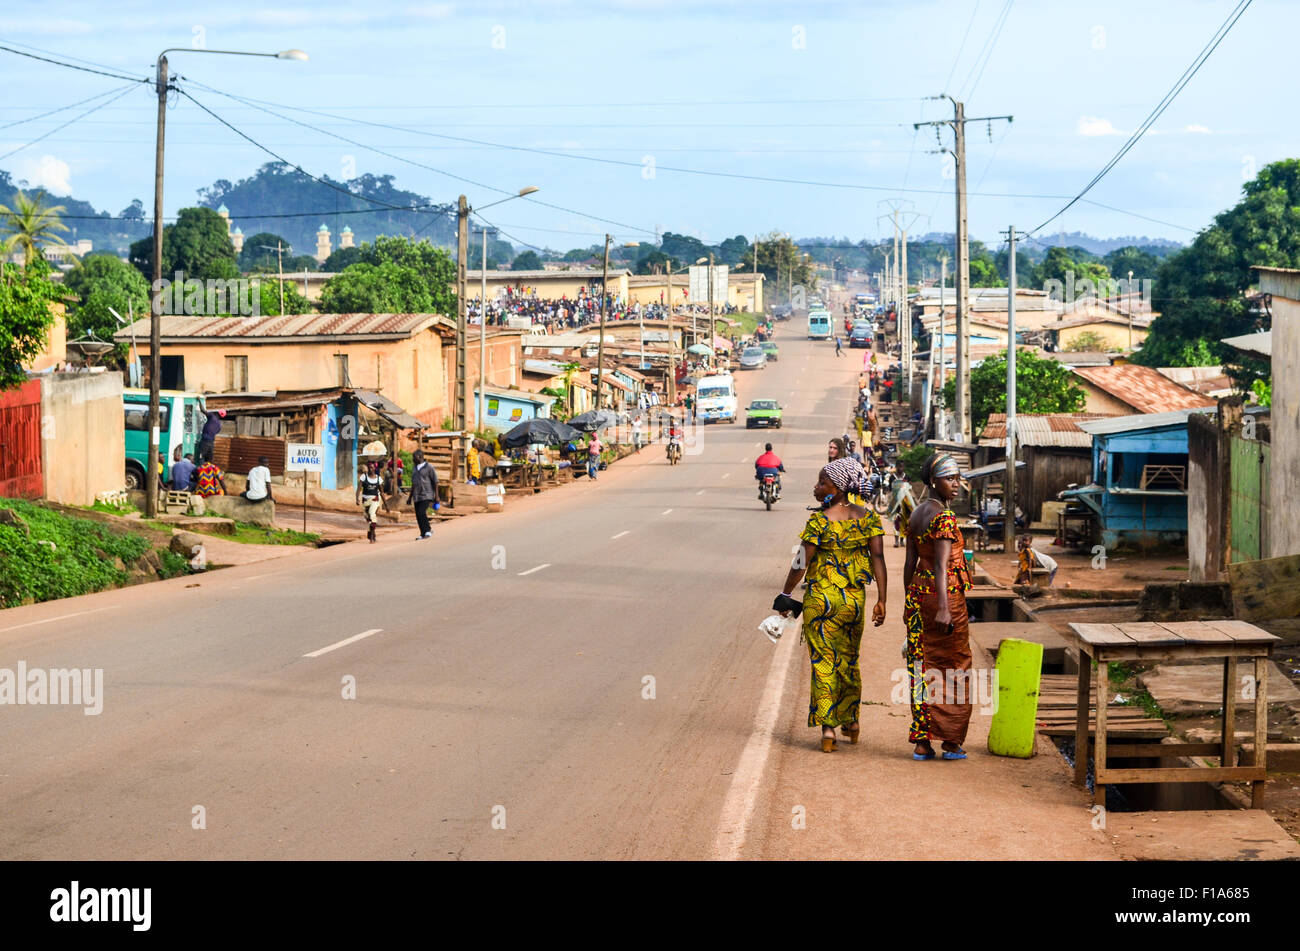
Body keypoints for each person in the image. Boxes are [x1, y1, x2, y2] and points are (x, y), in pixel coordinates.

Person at [774, 457, 888, 752]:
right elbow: (878, 559)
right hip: (853, 601)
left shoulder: (819, 521)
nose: (816, 487)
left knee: (823, 662)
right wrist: (882, 600)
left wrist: (786, 594)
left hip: (820, 602)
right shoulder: (869, 519)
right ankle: (852, 721)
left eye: (822, 482)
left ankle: (828, 730)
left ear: (838, 487)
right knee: (849, 659)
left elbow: (802, 561)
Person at [903, 453, 974, 761]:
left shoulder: (917, 512)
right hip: (944, 598)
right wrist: (944, 608)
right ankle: (951, 742)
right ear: (933, 481)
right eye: (950, 479)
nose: (956, 484)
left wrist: (909, 603)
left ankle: (922, 742)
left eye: (958, 478)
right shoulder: (943, 517)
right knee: (955, 666)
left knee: (921, 667)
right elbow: (942, 566)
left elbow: (910, 563)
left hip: (918, 596)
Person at [406, 450, 439, 540]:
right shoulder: (415, 469)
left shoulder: (429, 467)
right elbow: (413, 483)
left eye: (414, 457)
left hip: (426, 494)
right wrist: (410, 497)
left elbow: (435, 482)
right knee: (418, 515)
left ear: (420, 457)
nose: (413, 459)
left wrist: (437, 496)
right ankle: (422, 532)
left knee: (421, 512)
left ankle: (428, 530)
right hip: (417, 495)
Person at [356, 460, 382, 543]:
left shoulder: (378, 479)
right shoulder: (364, 477)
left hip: (375, 500)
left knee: (372, 515)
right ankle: (372, 533)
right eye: (369, 468)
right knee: (368, 518)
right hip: (365, 501)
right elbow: (359, 489)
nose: (371, 469)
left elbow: (382, 492)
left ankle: (371, 536)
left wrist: (386, 505)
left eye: (372, 468)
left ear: (375, 468)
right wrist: (357, 498)